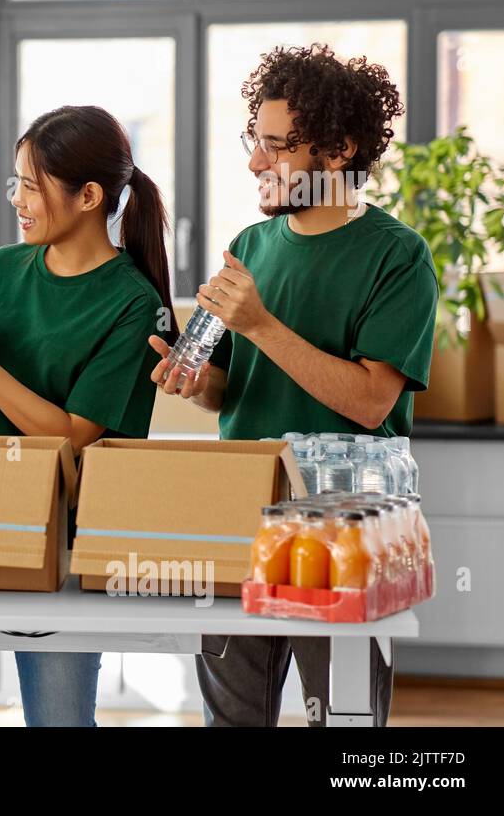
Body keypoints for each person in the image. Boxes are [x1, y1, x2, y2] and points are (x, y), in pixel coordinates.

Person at [150, 43, 437, 727]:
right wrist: (196, 382)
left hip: (345, 531)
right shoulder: (251, 245)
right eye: (257, 141)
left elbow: (372, 402)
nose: (255, 162)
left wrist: (258, 323)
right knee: (233, 719)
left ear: (338, 150)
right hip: (242, 516)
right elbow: (237, 390)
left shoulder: (398, 257)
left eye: (277, 146)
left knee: (336, 719)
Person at [0, 105, 177, 726]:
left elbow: (71, 439)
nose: (17, 200)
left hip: (68, 539)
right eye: (15, 183)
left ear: (88, 196)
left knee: (59, 722)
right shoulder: (1, 270)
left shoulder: (135, 302)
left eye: (31, 185)